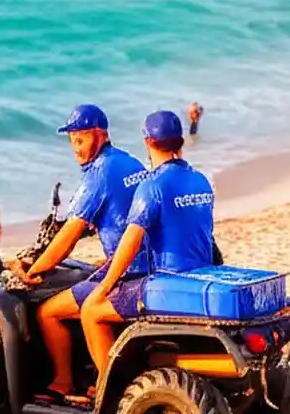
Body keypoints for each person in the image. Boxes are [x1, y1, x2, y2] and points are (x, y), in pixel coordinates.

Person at [7, 104, 150, 404]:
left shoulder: (98, 174)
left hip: (128, 272)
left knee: (48, 312)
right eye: (72, 139)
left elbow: (69, 237)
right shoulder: (130, 162)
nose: (76, 147)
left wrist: (34, 271)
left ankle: (64, 383)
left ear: (101, 135)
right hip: (146, 261)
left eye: (82, 139)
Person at [79, 111, 215, 382]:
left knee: (91, 311)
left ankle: (114, 394)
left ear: (148, 142)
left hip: (166, 283)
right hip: (199, 274)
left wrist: (104, 287)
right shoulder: (201, 180)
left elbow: (130, 242)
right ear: (181, 142)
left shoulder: (152, 185)